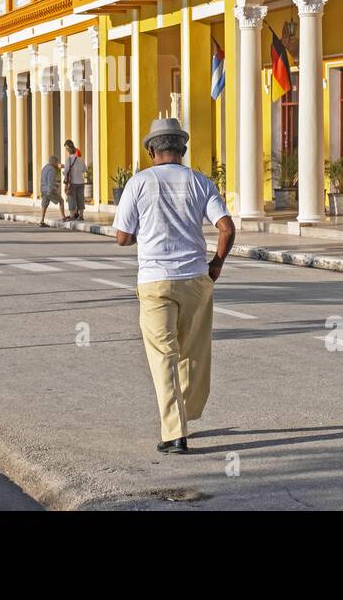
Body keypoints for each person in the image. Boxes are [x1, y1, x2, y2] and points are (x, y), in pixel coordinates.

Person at [113, 117, 236, 455]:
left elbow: (122, 237)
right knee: (194, 352)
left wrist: (147, 231)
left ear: (152, 150)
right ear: (181, 149)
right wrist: (217, 264)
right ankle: (188, 412)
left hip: (154, 281)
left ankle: (174, 432)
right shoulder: (200, 182)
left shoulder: (139, 183)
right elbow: (226, 228)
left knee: (163, 356)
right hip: (196, 278)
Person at [38, 155, 67, 226]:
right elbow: (50, 181)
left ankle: (42, 221)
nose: (57, 164)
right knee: (61, 201)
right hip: (49, 190)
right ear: (54, 162)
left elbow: (43, 180)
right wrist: (50, 191)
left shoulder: (45, 168)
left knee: (44, 205)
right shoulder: (52, 169)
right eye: (57, 162)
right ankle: (63, 217)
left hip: (43, 189)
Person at [62, 140, 86, 220]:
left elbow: (66, 171)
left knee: (71, 198)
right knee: (80, 198)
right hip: (81, 182)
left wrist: (63, 170)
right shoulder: (80, 159)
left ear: (68, 150)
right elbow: (84, 170)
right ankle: (81, 215)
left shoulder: (68, 159)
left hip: (72, 183)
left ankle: (72, 215)